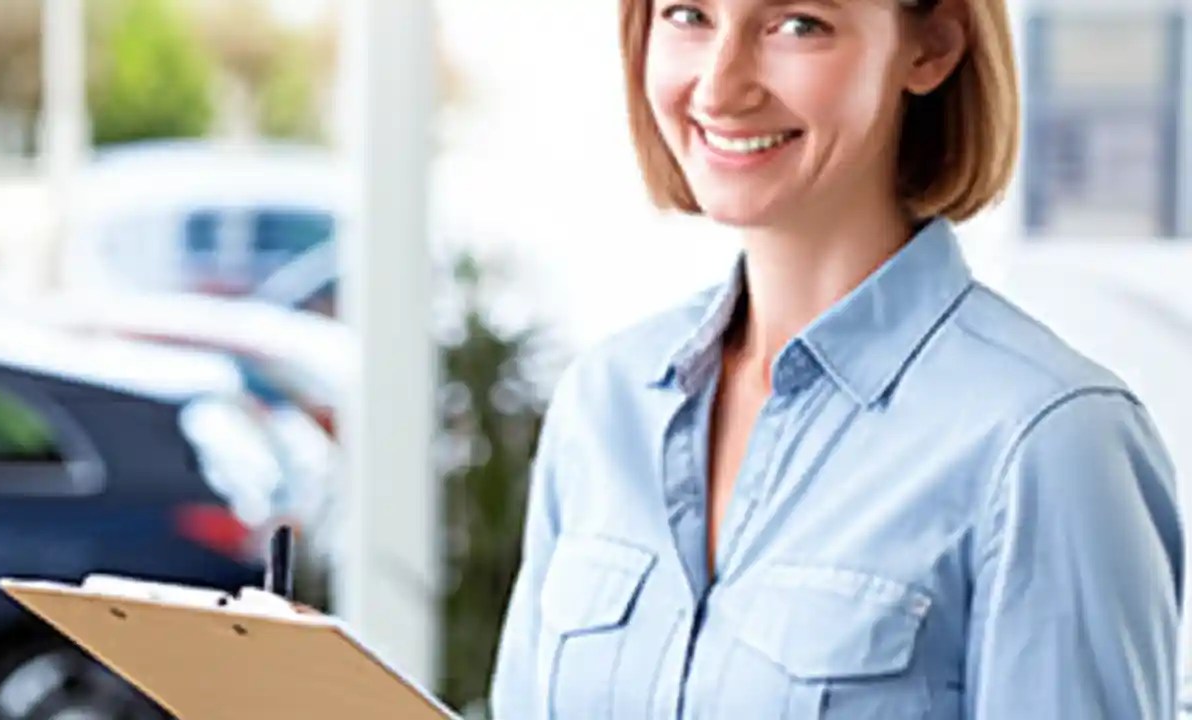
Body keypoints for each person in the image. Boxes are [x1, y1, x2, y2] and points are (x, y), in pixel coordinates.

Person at [489, 0, 1184, 718]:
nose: (721, 87)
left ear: (933, 47)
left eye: (797, 25)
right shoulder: (604, 401)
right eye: (688, 14)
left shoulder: (1046, 441)